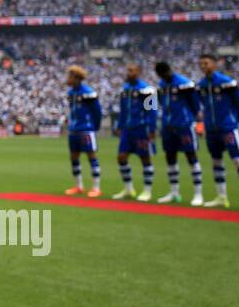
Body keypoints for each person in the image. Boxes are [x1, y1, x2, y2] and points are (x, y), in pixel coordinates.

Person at [197, 53, 239, 210]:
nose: (204, 67)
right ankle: (221, 197)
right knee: (216, 162)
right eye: (201, 64)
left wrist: (234, 120)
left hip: (227, 128)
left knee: (237, 160)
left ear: (215, 64)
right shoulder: (201, 85)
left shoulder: (227, 82)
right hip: (211, 130)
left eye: (206, 63)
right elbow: (202, 105)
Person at [154, 60, 203, 205]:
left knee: (191, 157)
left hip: (184, 126)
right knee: (170, 158)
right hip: (168, 127)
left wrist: (194, 122)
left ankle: (198, 194)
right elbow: (156, 103)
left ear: (169, 70)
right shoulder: (162, 85)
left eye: (164, 74)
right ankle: (174, 193)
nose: (163, 77)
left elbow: (195, 105)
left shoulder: (185, 84)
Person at [112, 63, 159, 202]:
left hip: (142, 129)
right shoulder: (125, 89)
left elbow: (152, 110)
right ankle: (128, 189)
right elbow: (123, 110)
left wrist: (152, 128)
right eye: (128, 70)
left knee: (145, 159)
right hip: (127, 129)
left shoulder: (147, 89)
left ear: (139, 72)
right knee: (121, 157)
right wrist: (119, 125)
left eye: (132, 70)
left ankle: (147, 191)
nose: (129, 72)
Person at [63, 65, 103, 197]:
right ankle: (78, 186)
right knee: (73, 157)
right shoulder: (70, 93)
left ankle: (96, 187)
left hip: (85, 129)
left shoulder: (88, 93)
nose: (67, 78)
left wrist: (95, 126)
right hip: (74, 130)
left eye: (70, 76)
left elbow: (97, 111)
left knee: (91, 156)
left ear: (77, 78)